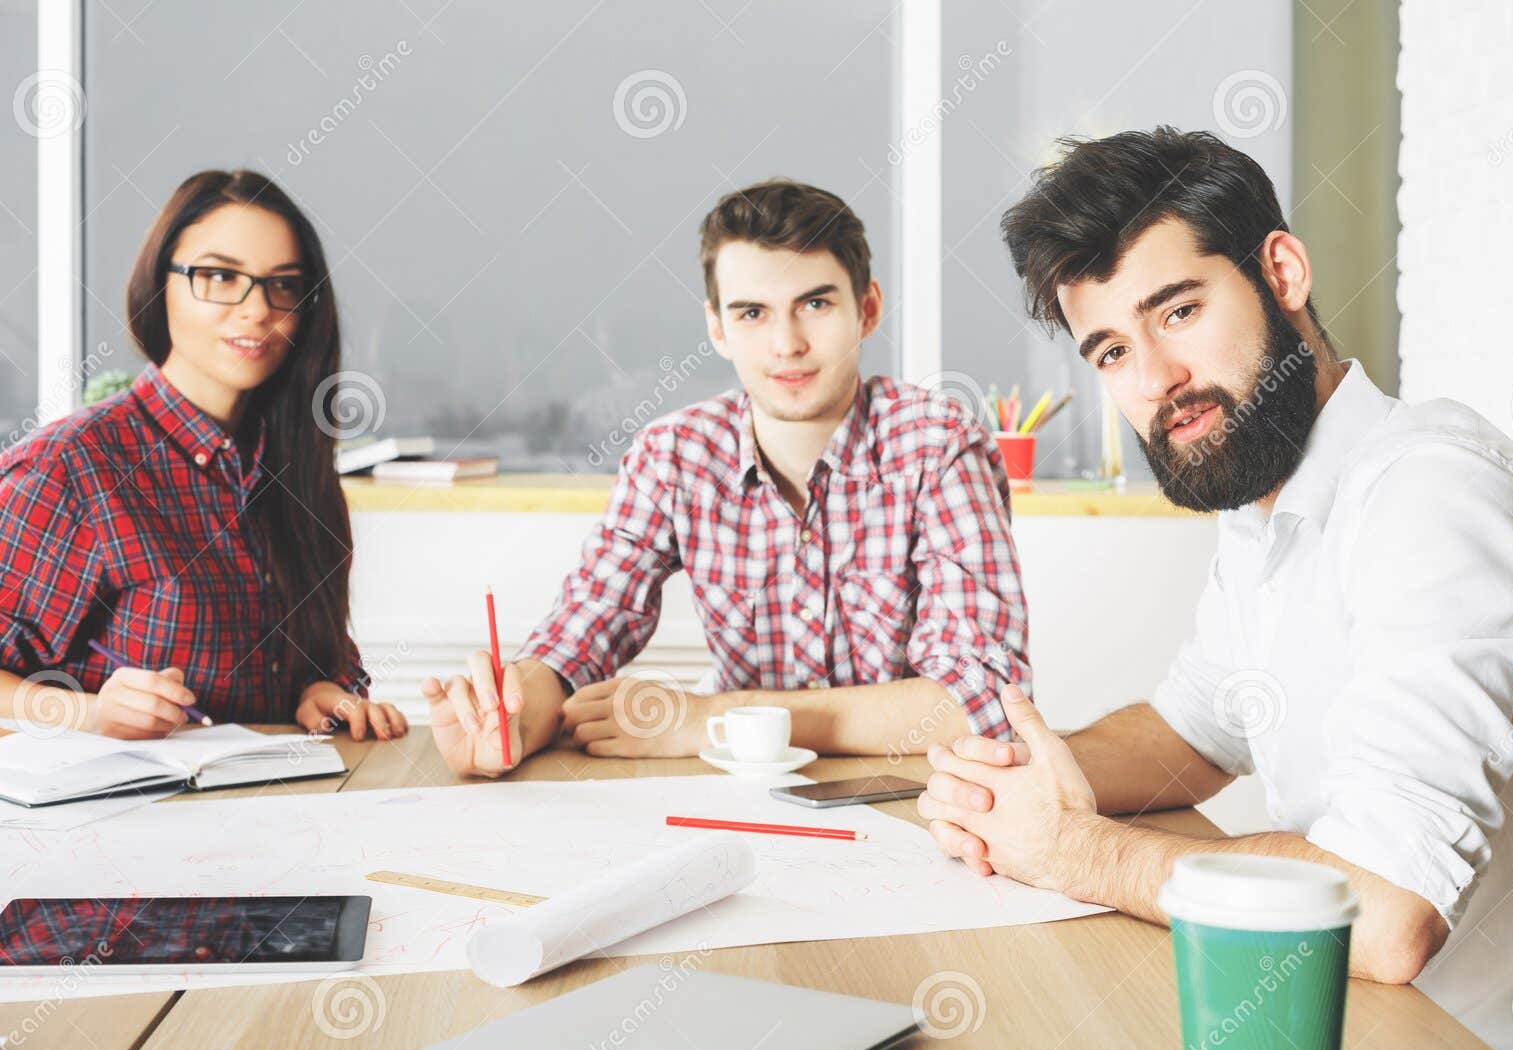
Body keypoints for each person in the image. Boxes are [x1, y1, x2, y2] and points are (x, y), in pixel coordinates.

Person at [918, 127, 1513, 1050]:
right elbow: (1192, 735)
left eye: (1179, 311)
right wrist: (1013, 782)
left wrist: (1072, 847)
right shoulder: (1263, 502)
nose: (1157, 380)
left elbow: (1389, 912)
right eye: (1112, 350)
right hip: (1344, 1030)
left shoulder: (1431, 492)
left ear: (1280, 271)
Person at [426, 179, 1029, 773]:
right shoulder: (674, 455)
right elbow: (579, 635)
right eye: (752, 313)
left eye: (815, 304)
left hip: (914, 803)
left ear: (866, 309)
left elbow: (978, 705)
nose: (786, 344)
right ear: (717, 328)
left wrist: (717, 718)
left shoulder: (939, 444)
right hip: (741, 805)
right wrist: (512, 718)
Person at [0, 170, 407, 741]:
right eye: (219, 276)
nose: (257, 309)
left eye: (283, 285)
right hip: (120, 819)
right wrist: (86, 713)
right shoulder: (70, 468)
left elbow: (323, 655)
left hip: (287, 809)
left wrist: (323, 690)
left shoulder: (295, 466)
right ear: (158, 282)